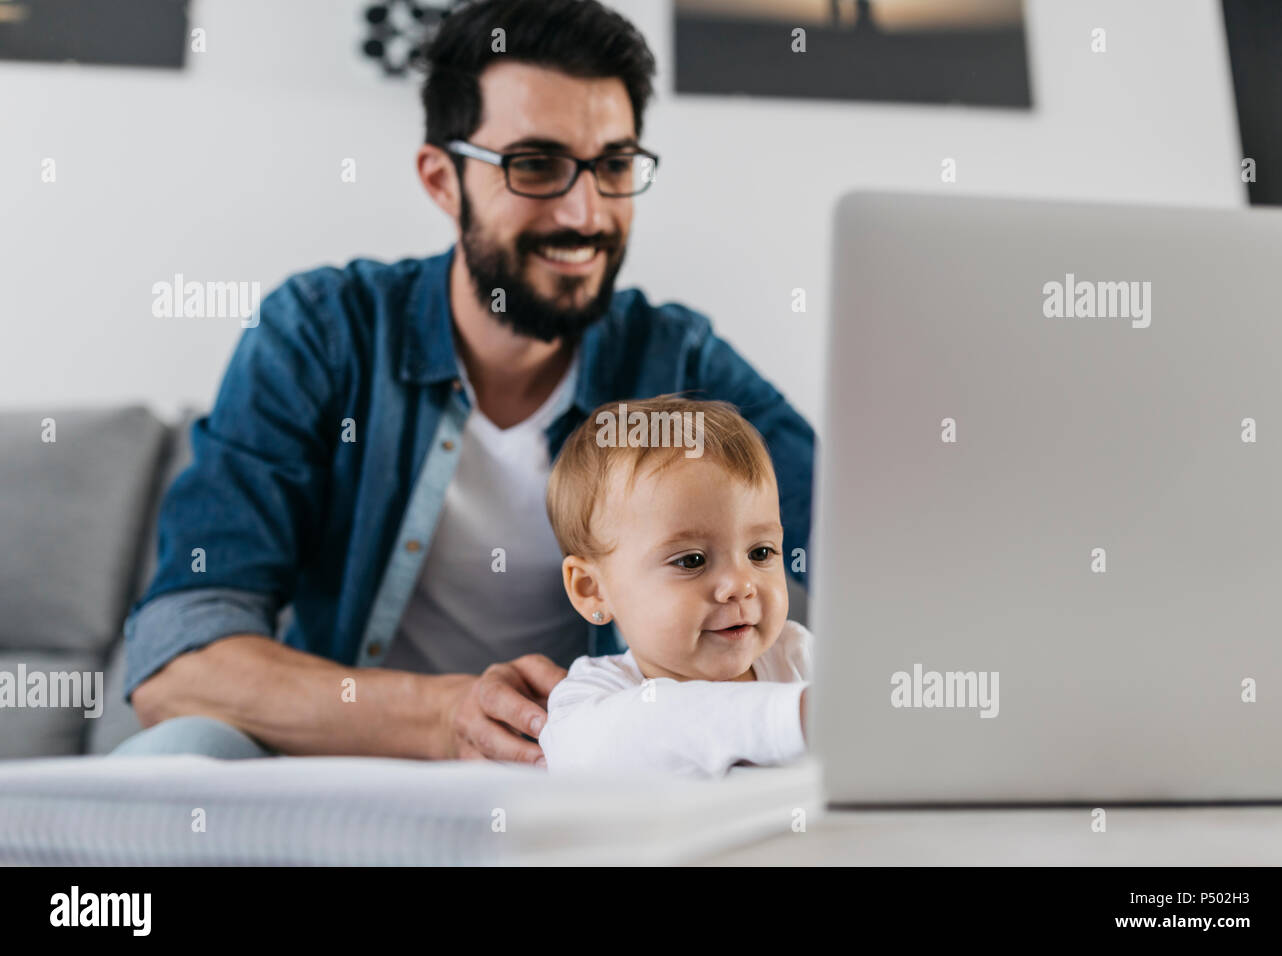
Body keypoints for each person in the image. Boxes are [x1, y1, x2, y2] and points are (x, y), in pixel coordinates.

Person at [114, 0, 814, 764]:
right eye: (537, 165)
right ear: (441, 179)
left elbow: (861, 548)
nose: (586, 212)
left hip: (571, 785)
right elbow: (178, 663)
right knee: (173, 752)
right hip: (341, 761)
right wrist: (445, 715)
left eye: (613, 166)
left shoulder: (678, 367)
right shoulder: (321, 335)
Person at [538, 396, 813, 778]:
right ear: (592, 590)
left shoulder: (796, 657)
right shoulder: (593, 695)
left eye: (761, 551)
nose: (740, 584)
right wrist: (791, 717)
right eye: (692, 561)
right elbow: (592, 751)